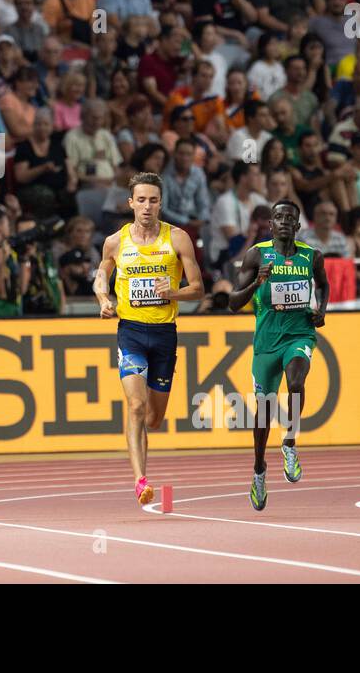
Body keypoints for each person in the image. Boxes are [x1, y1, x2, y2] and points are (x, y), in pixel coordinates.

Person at [93, 172, 204, 506]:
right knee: (136, 406)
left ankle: (142, 458)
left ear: (160, 203)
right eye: (140, 200)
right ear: (130, 203)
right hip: (131, 333)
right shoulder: (115, 242)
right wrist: (103, 300)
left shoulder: (178, 238)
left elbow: (198, 287)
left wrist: (174, 292)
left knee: (154, 419)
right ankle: (140, 481)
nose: (147, 206)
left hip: (165, 335)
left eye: (153, 200)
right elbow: (101, 274)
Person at [227, 200, 329, 510]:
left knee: (296, 382)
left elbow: (323, 286)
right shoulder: (257, 255)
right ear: (270, 224)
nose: (284, 221)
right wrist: (257, 282)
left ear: (297, 227)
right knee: (263, 410)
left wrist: (320, 311)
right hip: (266, 342)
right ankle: (259, 469)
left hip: (299, 335)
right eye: (278, 217)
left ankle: (290, 441)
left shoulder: (312, 257)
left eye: (290, 218)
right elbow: (232, 302)